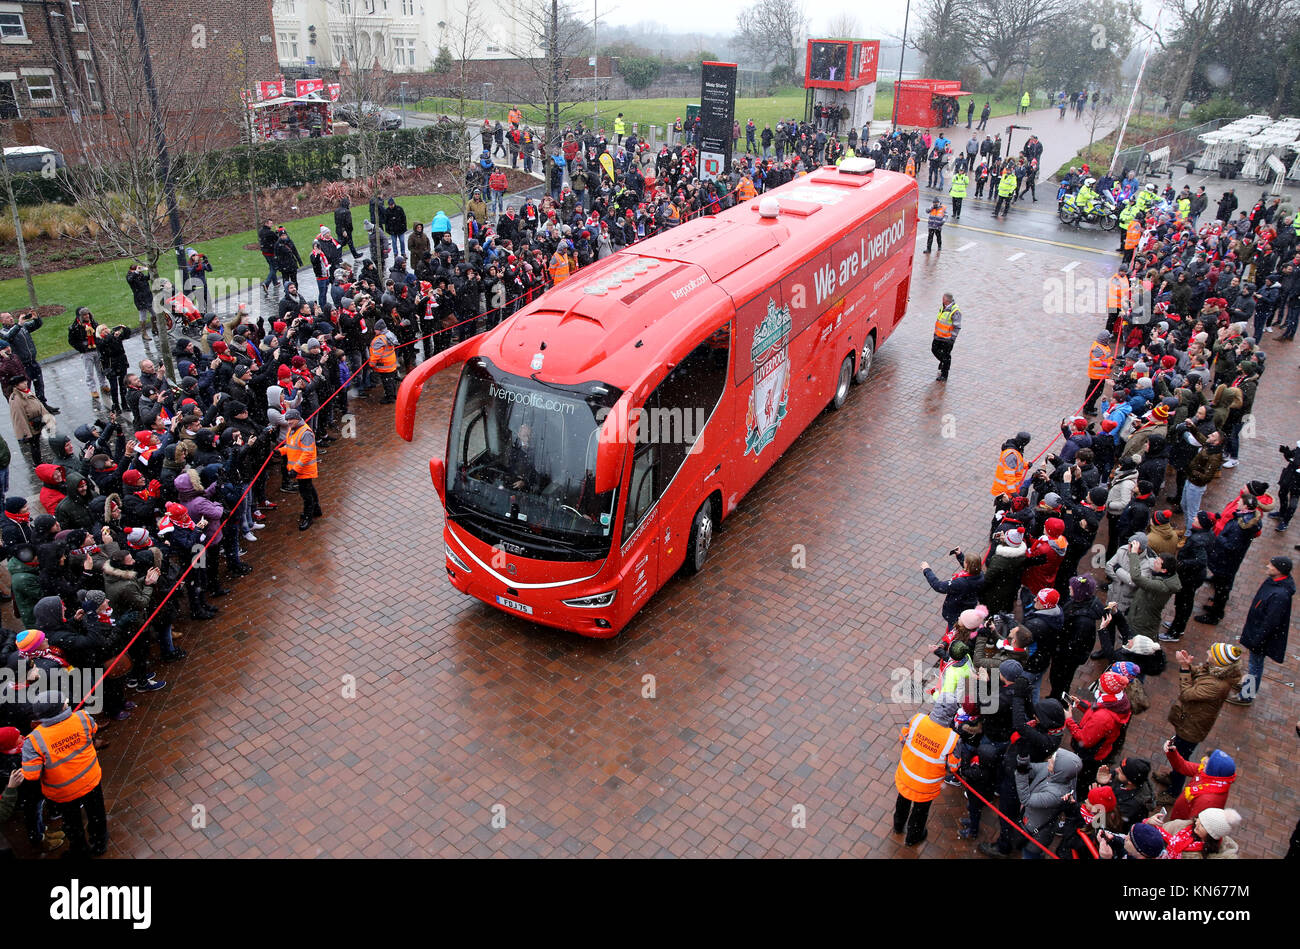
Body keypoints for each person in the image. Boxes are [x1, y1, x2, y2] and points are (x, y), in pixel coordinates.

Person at [21, 690, 107, 856]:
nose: (67, 703)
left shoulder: (33, 741)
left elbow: (31, 775)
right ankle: (100, 843)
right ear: (61, 708)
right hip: (90, 780)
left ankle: (79, 850)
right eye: (65, 702)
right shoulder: (82, 718)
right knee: (97, 814)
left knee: (72, 823)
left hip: (63, 792)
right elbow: (93, 730)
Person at [893, 694, 959, 847]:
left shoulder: (917, 720)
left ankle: (897, 826)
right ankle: (912, 838)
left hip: (905, 775)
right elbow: (953, 767)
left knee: (902, 802)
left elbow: (902, 736)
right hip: (926, 787)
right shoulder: (952, 739)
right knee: (920, 812)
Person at [1227, 556, 1294, 706]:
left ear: (1279, 570)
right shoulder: (1275, 583)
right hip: (1257, 632)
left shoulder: (1280, 594)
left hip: (1261, 637)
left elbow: (1271, 622)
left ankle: (1247, 695)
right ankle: (1248, 688)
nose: (1268, 566)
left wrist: (1257, 639)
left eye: (1272, 565)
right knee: (1254, 664)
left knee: (1255, 666)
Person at [279, 409, 321, 532]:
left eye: (291, 419)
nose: (289, 422)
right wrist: (281, 451)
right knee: (309, 488)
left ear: (297, 418)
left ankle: (308, 516)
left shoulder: (305, 432)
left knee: (305, 493)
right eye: (287, 419)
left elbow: (307, 453)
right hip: (301, 468)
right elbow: (292, 446)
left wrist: (295, 469)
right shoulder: (294, 429)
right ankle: (316, 509)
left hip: (304, 469)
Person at [931, 292, 961, 382]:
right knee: (934, 350)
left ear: (946, 300)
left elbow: (957, 326)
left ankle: (944, 374)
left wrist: (952, 339)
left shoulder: (955, 312)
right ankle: (943, 362)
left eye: (943, 299)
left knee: (946, 356)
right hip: (938, 336)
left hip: (947, 339)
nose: (942, 300)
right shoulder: (943, 307)